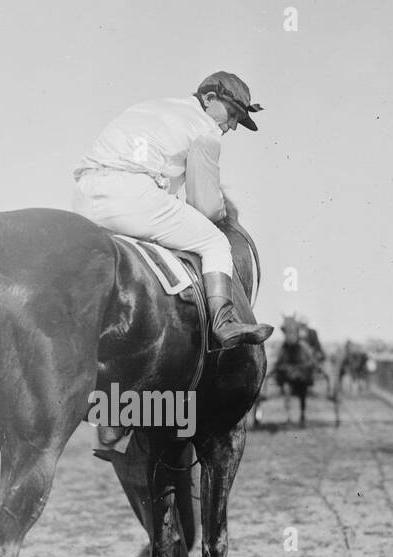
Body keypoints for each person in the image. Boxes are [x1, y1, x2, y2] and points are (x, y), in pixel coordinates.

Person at [71, 72, 273, 350]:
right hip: (131, 198)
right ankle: (224, 323)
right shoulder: (206, 130)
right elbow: (205, 207)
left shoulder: (151, 107)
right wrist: (220, 211)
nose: (233, 126)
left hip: (84, 195)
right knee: (214, 242)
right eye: (233, 114)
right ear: (209, 98)